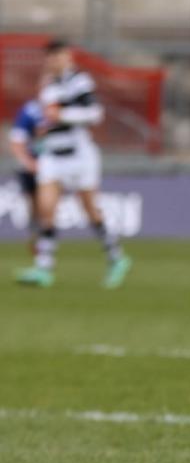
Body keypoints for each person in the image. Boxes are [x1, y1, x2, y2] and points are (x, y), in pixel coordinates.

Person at [14, 40, 131, 290]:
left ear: (68, 57)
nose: (54, 61)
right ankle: (44, 268)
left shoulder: (80, 82)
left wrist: (63, 115)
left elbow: (94, 114)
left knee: (90, 210)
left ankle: (116, 257)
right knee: (46, 209)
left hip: (79, 156)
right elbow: (47, 119)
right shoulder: (48, 86)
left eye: (58, 56)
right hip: (53, 156)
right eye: (51, 57)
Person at [8, 98, 43, 251]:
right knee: (33, 202)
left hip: (53, 165)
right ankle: (36, 236)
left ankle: (45, 239)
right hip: (31, 165)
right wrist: (28, 163)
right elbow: (16, 141)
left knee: (46, 202)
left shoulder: (65, 108)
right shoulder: (30, 110)